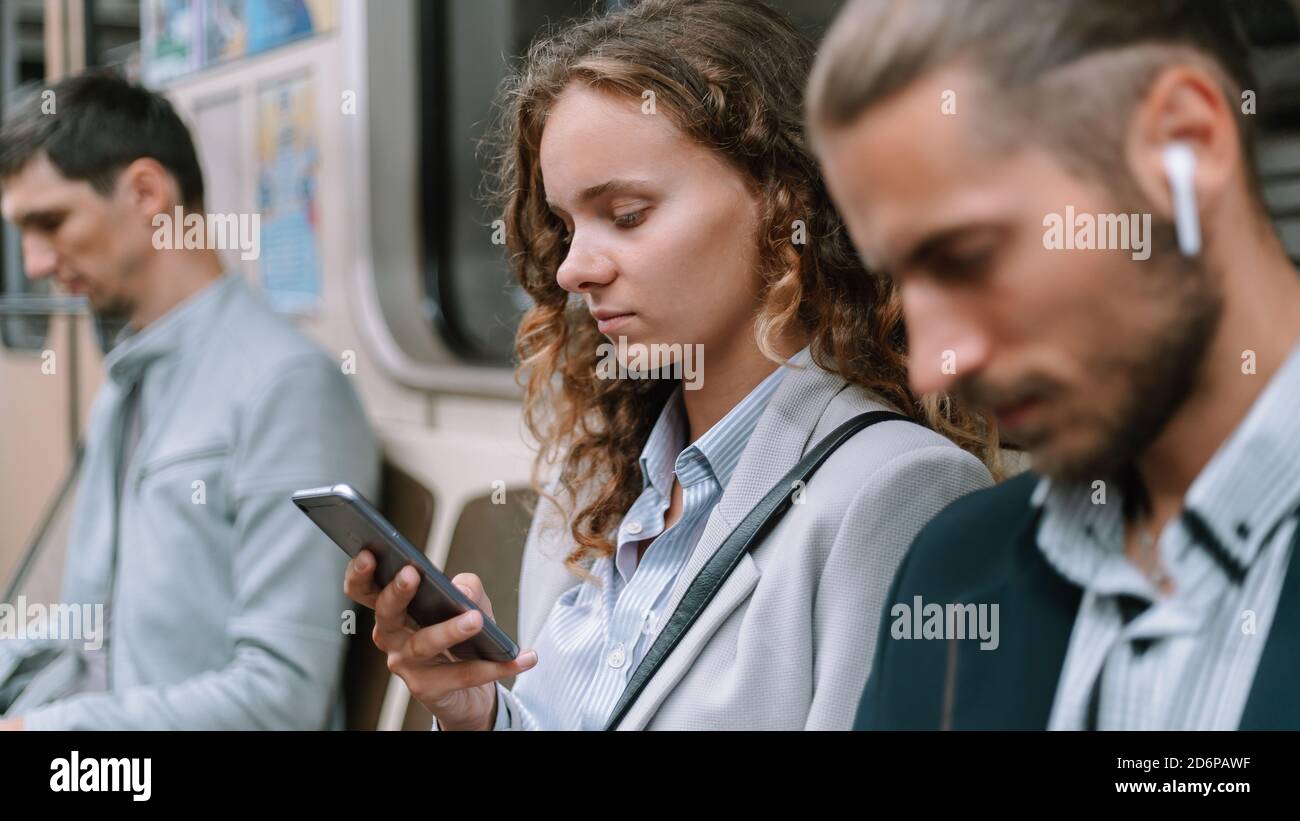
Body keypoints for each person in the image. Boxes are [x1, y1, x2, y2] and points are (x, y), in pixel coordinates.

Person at [344, 0, 996, 731]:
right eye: (564, 227)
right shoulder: (591, 477)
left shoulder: (899, 490)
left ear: (784, 208)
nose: (573, 270)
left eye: (626, 215)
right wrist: (480, 715)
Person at [807, 0, 1300, 729]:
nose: (935, 366)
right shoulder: (950, 571)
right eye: (904, 281)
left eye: (968, 257)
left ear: (1185, 145)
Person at [0, 72, 379, 730]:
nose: (33, 262)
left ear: (148, 193)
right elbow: (87, 631)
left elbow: (279, 701)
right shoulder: (126, 387)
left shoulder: (285, 387)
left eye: (50, 222)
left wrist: (40, 734)